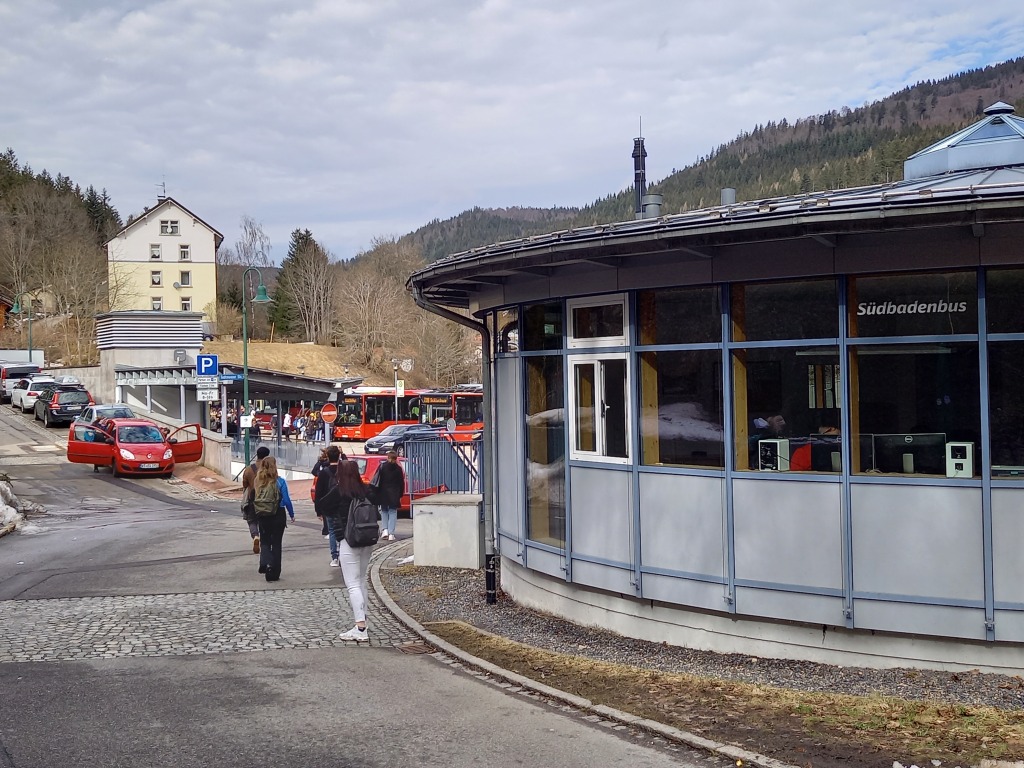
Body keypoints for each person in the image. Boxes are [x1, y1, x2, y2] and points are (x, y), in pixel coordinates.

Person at [316, 453, 373, 642]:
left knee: (353, 584)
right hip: (366, 539)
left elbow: (322, 504)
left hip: (348, 539)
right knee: (361, 579)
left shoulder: (339, 491)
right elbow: (378, 497)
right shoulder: (365, 490)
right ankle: (364, 619)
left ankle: (360, 627)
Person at [254, 455, 295, 582]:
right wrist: (291, 514)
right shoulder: (280, 481)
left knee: (265, 541)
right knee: (277, 543)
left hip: (263, 514)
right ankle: (274, 570)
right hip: (278, 513)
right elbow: (287, 500)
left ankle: (266, 563)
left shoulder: (258, 481)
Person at [241, 445, 271, 553]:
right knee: (264, 521)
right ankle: (264, 540)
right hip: (267, 499)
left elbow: (244, 485)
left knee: (252, 520)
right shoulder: (268, 469)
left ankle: (255, 536)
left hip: (252, 499)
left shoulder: (249, 469)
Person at [311, 447, 338, 562]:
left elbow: (319, 492)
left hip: (328, 505)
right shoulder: (345, 470)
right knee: (345, 529)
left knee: (331, 530)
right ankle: (344, 554)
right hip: (343, 505)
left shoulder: (323, 473)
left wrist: (318, 510)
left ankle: (335, 557)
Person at [376, 451, 404, 542]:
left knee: (384, 511)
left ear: (388, 458)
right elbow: (401, 483)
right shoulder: (398, 469)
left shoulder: (383, 467)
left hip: (383, 492)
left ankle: (385, 530)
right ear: (396, 459)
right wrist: (400, 494)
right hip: (394, 493)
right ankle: (391, 533)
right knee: (393, 512)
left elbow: (378, 480)